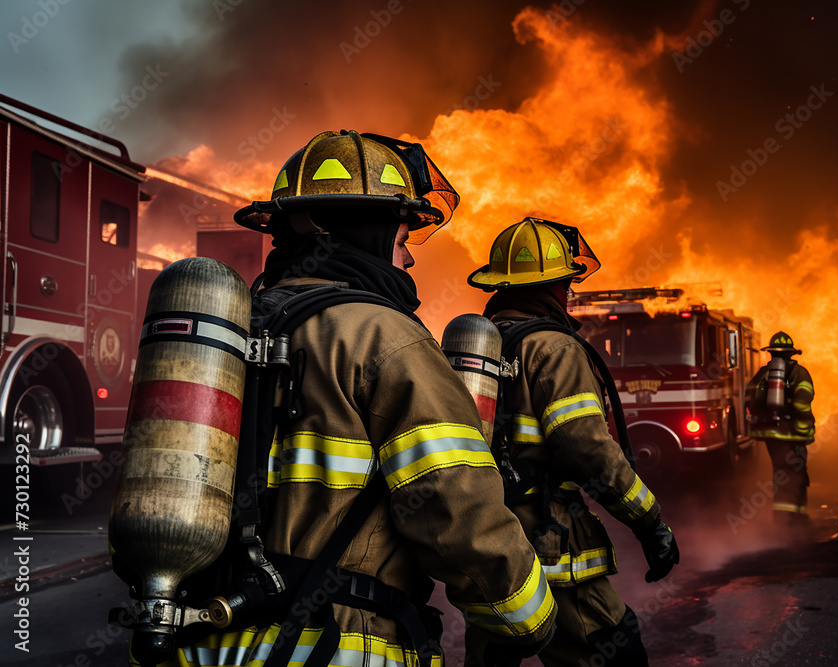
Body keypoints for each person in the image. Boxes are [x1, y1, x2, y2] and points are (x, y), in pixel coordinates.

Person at [136, 132, 555, 666]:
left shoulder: (230, 332)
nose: (408, 260)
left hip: (197, 643)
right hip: (326, 646)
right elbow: (459, 511)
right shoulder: (388, 338)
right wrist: (530, 619)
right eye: (403, 238)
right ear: (371, 232)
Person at [464, 217, 679, 667]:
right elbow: (587, 449)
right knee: (614, 650)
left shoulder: (481, 348)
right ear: (556, 287)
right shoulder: (554, 349)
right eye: (568, 285)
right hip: (550, 546)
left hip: (488, 543)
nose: (570, 296)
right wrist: (649, 522)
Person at [745, 331, 816, 524]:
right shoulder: (799, 372)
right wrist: (803, 431)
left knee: (785, 471)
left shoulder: (762, 373)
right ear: (791, 353)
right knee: (791, 473)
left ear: (771, 353)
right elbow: (802, 402)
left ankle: (797, 515)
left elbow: (748, 398)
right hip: (791, 435)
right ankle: (787, 520)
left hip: (771, 435)